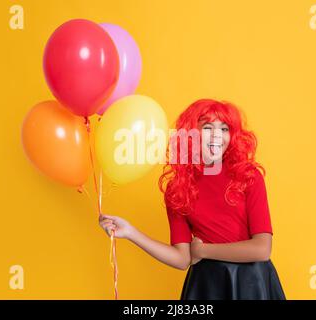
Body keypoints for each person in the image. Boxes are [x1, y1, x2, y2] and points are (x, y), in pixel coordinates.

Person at [99, 98, 286, 300]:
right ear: (191, 134)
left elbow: (261, 250)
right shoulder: (178, 188)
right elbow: (181, 258)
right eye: (207, 127)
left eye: (224, 129)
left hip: (252, 283)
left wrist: (204, 250)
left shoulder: (248, 176)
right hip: (208, 286)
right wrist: (131, 233)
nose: (217, 135)